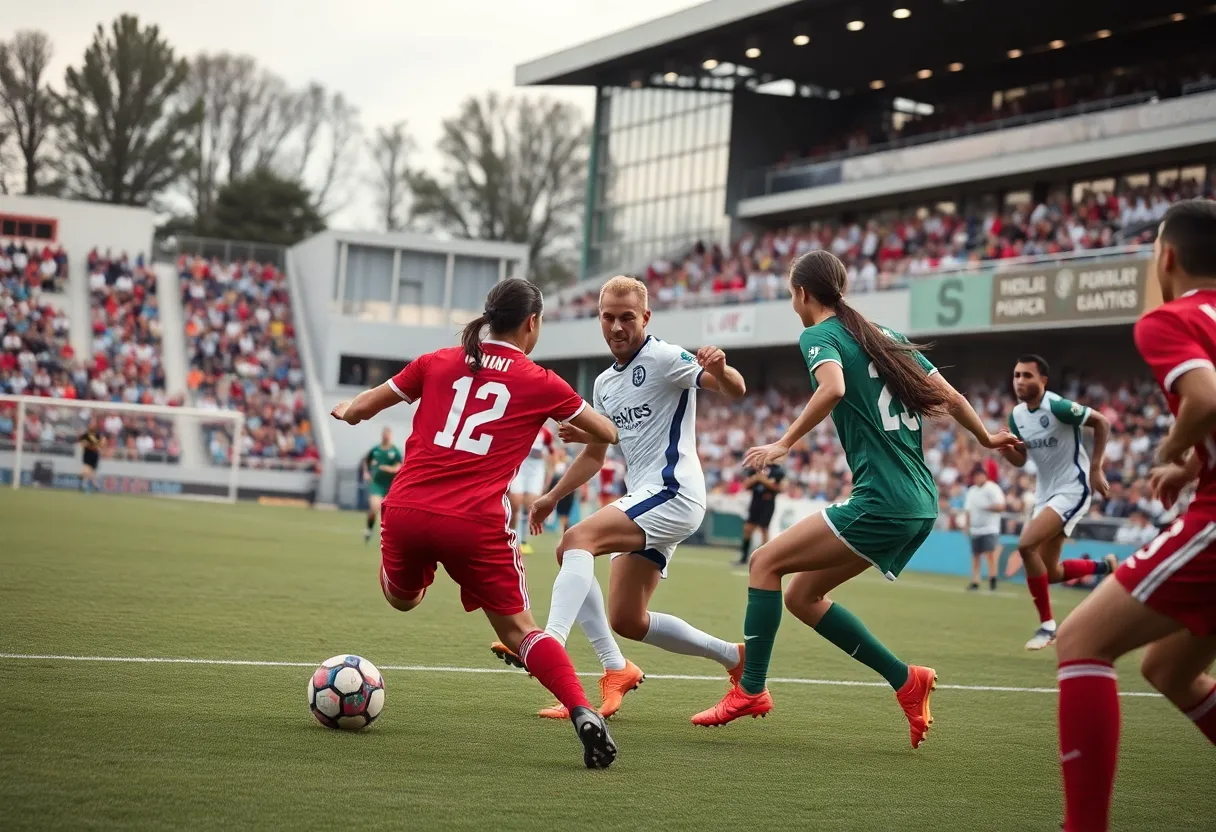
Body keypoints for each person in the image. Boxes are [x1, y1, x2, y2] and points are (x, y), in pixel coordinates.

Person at [688, 250, 1019, 744]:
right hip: (919, 501)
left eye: (789, 292)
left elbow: (833, 388)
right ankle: (908, 682)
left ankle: (751, 688)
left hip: (884, 500)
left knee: (763, 563)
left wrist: (784, 443)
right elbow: (949, 397)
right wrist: (987, 438)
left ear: (802, 294)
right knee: (802, 595)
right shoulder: (886, 337)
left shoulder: (818, 335)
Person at [330, 278, 621, 769]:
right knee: (521, 632)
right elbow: (607, 431)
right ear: (532, 323)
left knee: (402, 599)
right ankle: (582, 711)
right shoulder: (541, 381)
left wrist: (346, 410)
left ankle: (418, 576)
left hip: (407, 511)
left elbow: (360, 408)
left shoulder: (436, 361)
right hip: (474, 523)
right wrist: (571, 427)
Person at [492, 275, 749, 720]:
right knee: (628, 619)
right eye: (607, 317)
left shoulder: (666, 358)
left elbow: (735, 388)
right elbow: (595, 455)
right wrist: (553, 495)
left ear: (645, 318)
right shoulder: (604, 384)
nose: (616, 326)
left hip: (674, 489)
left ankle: (545, 642)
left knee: (574, 542)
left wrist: (722, 368)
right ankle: (729, 658)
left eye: (626, 317)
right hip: (649, 497)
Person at [1055, 200, 1216, 831]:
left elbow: (1204, 397)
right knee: (1170, 668)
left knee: (1081, 640)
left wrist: (1173, 450)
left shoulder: (1166, 321)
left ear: (1166, 257)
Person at [1000, 354, 1117, 649]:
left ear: (1043, 380)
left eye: (1027, 375)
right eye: (1017, 375)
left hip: (1072, 489)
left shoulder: (1058, 407)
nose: (1020, 381)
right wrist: (1005, 450)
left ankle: (1047, 626)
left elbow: (1101, 422)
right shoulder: (1016, 416)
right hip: (1045, 494)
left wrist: (1095, 467)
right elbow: (1021, 459)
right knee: (1050, 573)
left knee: (1026, 545)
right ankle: (1105, 567)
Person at [508, 425, 554, 555]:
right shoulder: (521, 427)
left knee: (530, 506)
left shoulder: (546, 433)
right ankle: (512, 536)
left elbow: (551, 454)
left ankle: (522, 541)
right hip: (520, 468)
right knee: (516, 503)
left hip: (535, 471)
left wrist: (549, 475)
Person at [963, 464, 1006, 591]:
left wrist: (987, 507)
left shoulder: (992, 488)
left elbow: (1001, 506)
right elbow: (968, 510)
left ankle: (993, 579)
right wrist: (967, 525)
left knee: (990, 554)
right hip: (976, 528)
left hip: (990, 527)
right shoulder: (972, 491)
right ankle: (975, 581)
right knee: (975, 555)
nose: (977, 479)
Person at [738, 463, 785, 565]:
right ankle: (744, 557)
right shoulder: (754, 470)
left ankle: (764, 559)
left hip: (767, 504)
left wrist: (762, 480)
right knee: (748, 528)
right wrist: (757, 479)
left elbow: (779, 488)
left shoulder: (777, 471)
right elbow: (746, 485)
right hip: (755, 502)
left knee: (764, 529)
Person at [362, 427, 402, 543]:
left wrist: (389, 469)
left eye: (388, 435)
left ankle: (388, 536)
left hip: (390, 485)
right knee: (374, 507)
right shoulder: (375, 450)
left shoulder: (395, 451)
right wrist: (366, 473)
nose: (386, 437)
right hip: (377, 483)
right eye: (385, 435)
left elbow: (399, 466)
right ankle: (369, 529)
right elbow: (366, 461)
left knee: (389, 513)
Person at [78, 421, 103, 492]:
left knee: (91, 471)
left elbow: (99, 445)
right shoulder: (86, 435)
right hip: (87, 454)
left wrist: (91, 445)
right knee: (89, 470)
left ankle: (85, 482)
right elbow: (82, 443)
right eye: (91, 425)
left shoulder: (97, 435)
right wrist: (89, 445)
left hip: (94, 455)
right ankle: (95, 485)